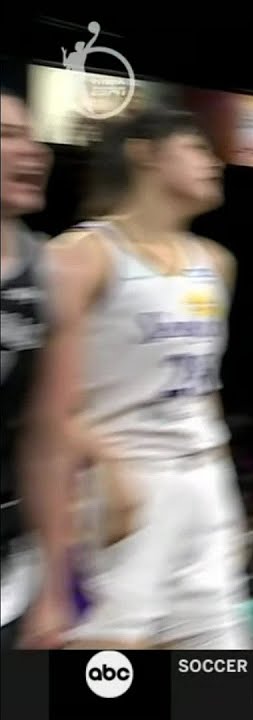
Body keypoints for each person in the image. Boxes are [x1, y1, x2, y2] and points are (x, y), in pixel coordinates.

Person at [52, 105, 253, 649]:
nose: (215, 163)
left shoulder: (215, 263)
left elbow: (203, 389)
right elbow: (40, 394)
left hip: (205, 485)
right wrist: (102, 463)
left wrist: (222, 492)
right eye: (197, 149)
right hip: (124, 484)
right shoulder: (82, 256)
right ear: (145, 154)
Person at [0, 87, 79, 650]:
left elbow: (47, 442)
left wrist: (55, 589)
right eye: (7, 137)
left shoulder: (47, 273)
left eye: (30, 135)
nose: (35, 151)